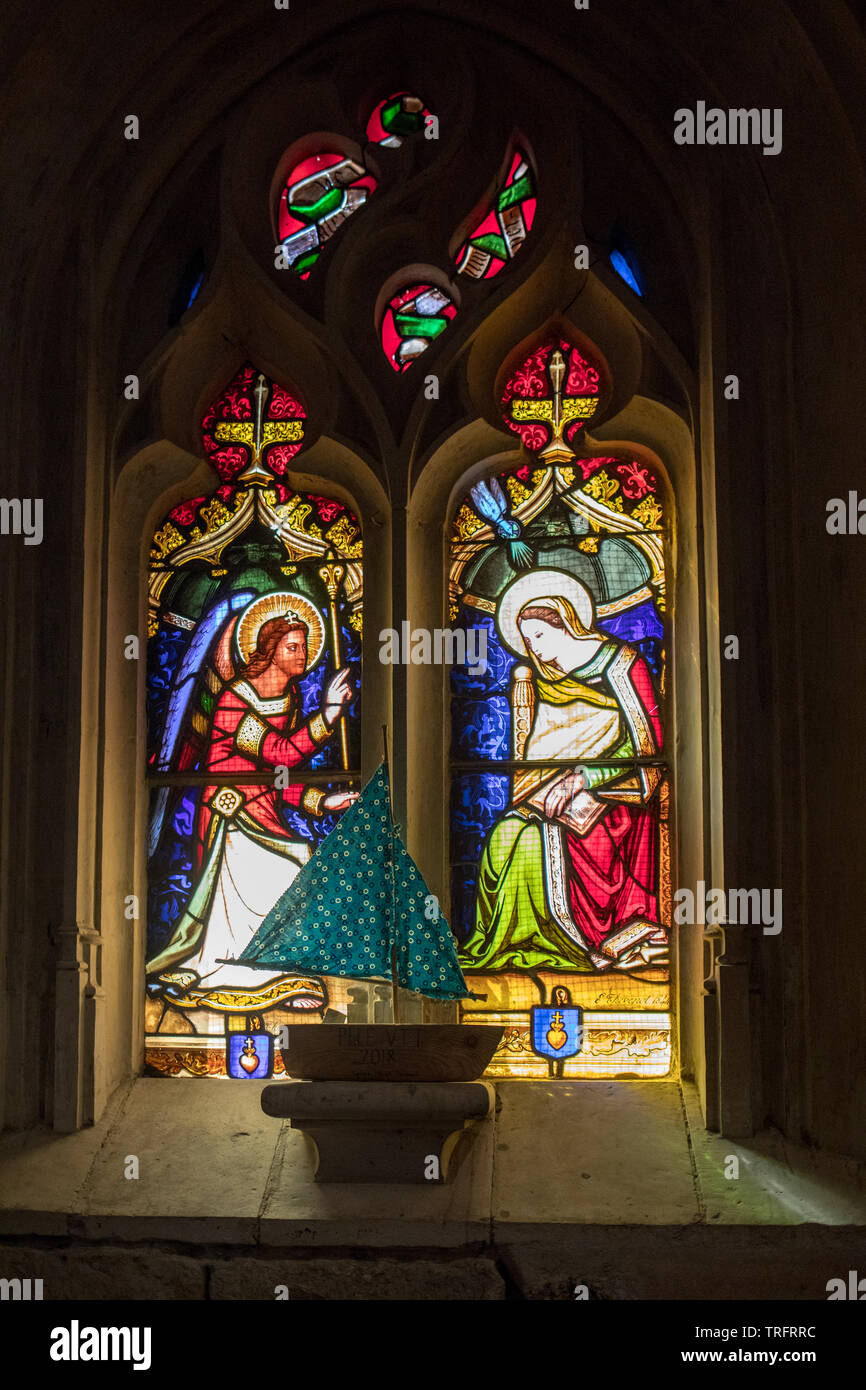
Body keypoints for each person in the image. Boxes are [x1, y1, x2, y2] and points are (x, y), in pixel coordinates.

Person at [146, 592, 357, 1011]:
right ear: (270, 651)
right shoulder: (233, 701)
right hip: (231, 812)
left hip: (261, 806)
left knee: (298, 855)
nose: (303, 655)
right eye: (293, 647)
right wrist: (329, 715)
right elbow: (280, 755)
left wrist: (320, 801)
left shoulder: (289, 701)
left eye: (305, 647)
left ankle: (280, 968)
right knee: (290, 860)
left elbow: (277, 778)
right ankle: (231, 966)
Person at [459, 571, 664, 973]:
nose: (533, 648)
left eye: (538, 636)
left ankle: (582, 942)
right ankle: (508, 948)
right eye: (527, 641)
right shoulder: (548, 681)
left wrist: (584, 777)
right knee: (506, 833)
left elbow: (647, 744)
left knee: (535, 837)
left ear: (566, 623)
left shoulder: (622, 665)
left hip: (620, 792)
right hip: (557, 790)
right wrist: (558, 783)